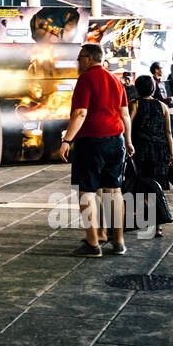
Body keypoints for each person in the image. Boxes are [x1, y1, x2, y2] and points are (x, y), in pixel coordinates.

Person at [59, 44, 132, 256]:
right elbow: (124, 114)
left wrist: (67, 140)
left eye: (80, 57)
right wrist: (128, 141)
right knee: (114, 191)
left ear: (89, 58)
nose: (78, 62)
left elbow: (80, 113)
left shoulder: (86, 79)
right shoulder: (116, 80)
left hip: (91, 142)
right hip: (115, 141)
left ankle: (92, 243)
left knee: (86, 191)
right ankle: (118, 241)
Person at [129, 76, 173, 238]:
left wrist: (127, 144)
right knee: (156, 188)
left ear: (138, 88)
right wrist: (171, 154)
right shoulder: (162, 106)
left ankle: (139, 219)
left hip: (140, 152)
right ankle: (158, 227)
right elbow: (168, 132)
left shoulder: (134, 104)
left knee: (139, 186)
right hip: (159, 151)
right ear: (153, 89)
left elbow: (128, 125)